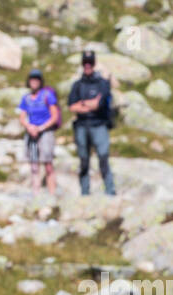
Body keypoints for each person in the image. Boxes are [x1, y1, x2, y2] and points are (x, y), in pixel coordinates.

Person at [67, 50, 116, 196]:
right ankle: (85, 192)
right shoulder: (77, 85)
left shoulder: (102, 83)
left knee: (103, 158)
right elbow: (71, 106)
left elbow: (99, 105)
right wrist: (89, 103)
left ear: (94, 64)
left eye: (90, 63)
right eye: (85, 63)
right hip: (81, 127)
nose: (87, 65)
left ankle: (110, 192)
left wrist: (82, 104)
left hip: (99, 125)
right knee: (83, 161)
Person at [17, 68, 59, 196]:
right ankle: (36, 195)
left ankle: (52, 195)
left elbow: (54, 115)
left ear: (40, 81)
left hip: (45, 133)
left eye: (36, 79)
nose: (34, 82)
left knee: (48, 164)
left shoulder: (47, 95)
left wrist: (41, 128)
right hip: (32, 134)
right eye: (32, 79)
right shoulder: (26, 98)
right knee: (34, 165)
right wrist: (29, 127)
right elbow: (22, 117)